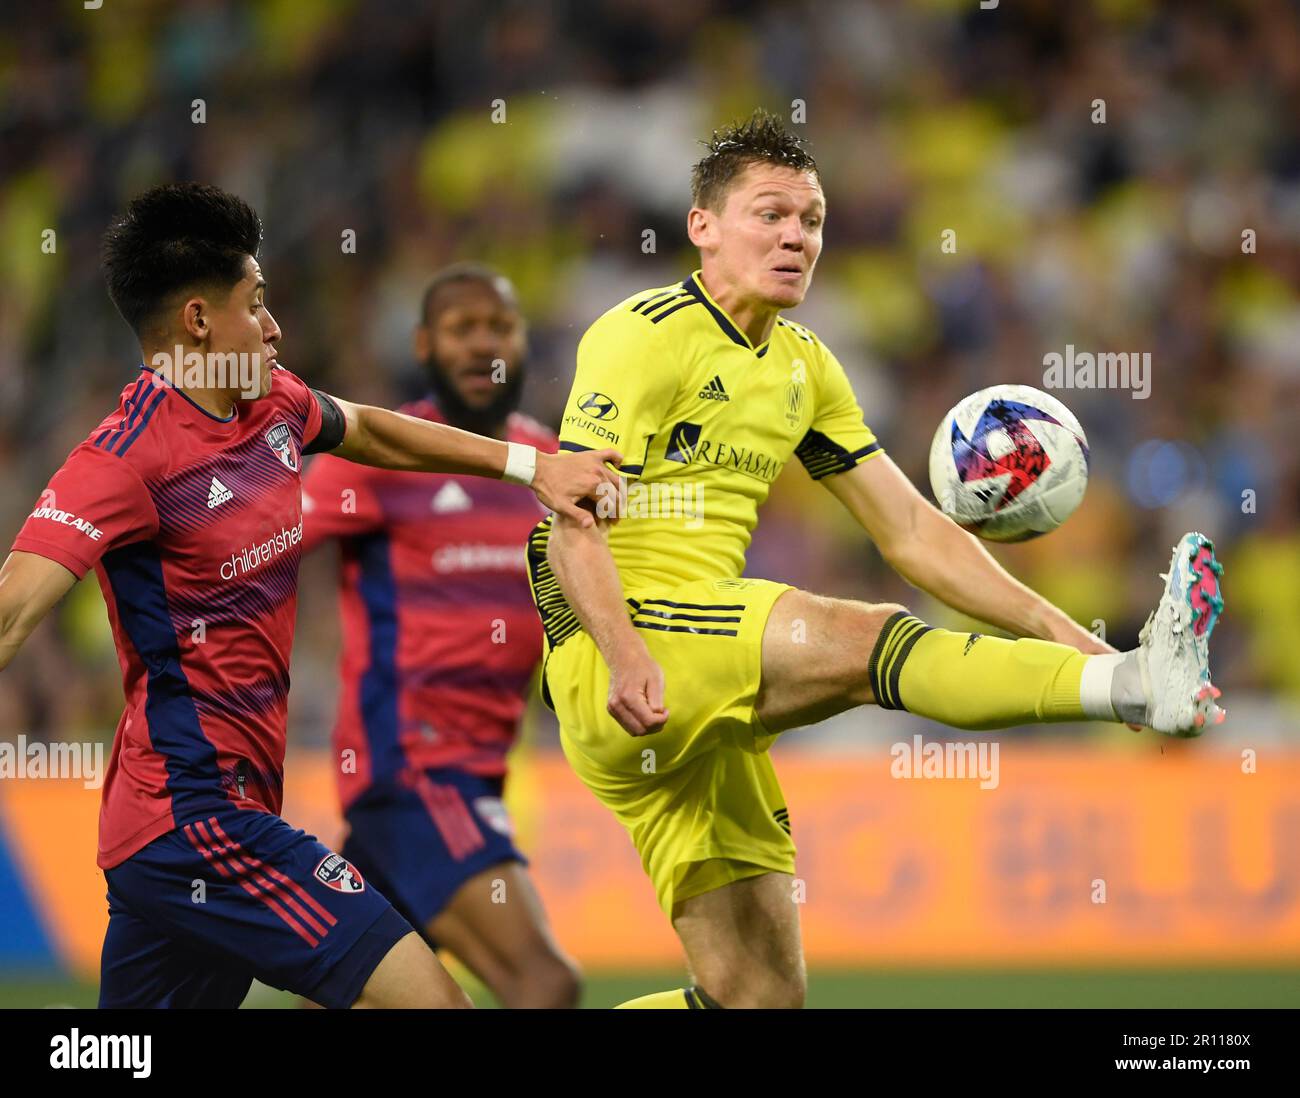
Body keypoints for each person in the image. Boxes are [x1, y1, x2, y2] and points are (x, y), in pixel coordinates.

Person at [528, 110, 1226, 1009]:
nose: (796, 239)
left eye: (811, 221)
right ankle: (1136, 687)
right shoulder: (640, 334)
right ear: (702, 226)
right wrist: (622, 651)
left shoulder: (808, 368)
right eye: (770, 215)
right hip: (623, 649)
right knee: (869, 640)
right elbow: (570, 516)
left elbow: (911, 532)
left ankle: (1114, 672)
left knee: (758, 998)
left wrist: (1069, 637)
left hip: (698, 687)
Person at [0, 183, 619, 1009]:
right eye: (256, 305)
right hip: (195, 819)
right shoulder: (122, 458)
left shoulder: (272, 404)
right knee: (432, 1003)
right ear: (197, 322)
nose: (274, 325)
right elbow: (12, 609)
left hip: (188, 826)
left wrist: (529, 466)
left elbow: (369, 428)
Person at [299, 263, 580, 1007]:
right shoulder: (384, 456)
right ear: (424, 344)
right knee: (544, 985)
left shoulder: (548, 468)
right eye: (462, 329)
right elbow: (261, 542)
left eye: (500, 327)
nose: (483, 345)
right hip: (415, 770)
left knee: (351, 996)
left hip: (480, 770)